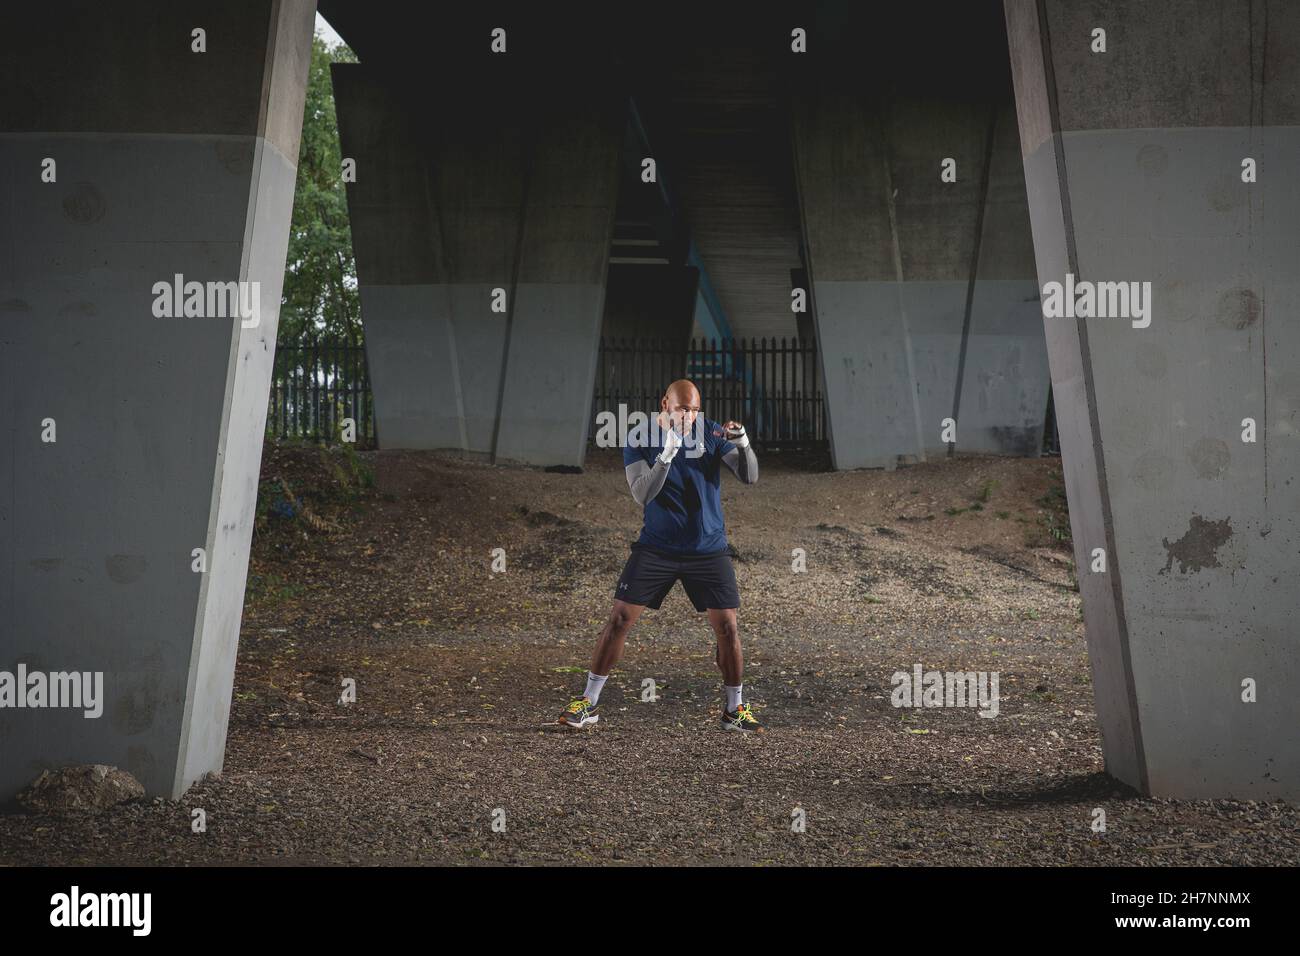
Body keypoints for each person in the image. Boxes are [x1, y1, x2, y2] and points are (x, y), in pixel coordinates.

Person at [559, 379, 762, 732]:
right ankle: (588, 703)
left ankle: (734, 709)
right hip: (658, 547)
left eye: (695, 409)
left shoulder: (711, 433)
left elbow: (750, 477)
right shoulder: (639, 437)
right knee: (620, 619)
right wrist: (666, 454)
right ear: (665, 404)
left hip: (707, 548)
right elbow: (642, 493)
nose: (690, 416)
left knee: (728, 627)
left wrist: (742, 443)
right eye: (683, 409)